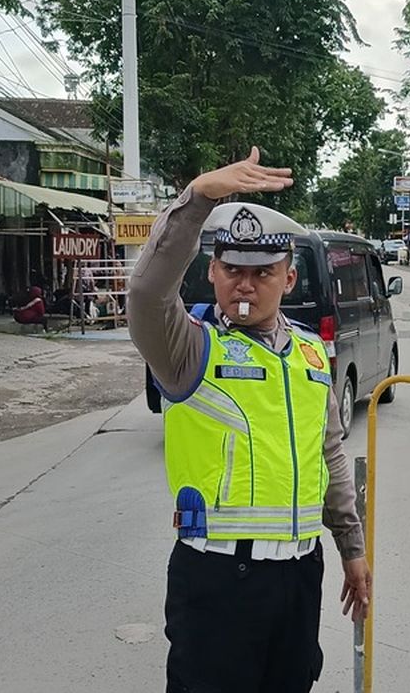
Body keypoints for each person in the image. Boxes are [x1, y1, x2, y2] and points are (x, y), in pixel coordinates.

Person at [127, 148, 371, 693]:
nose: (245, 284)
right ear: (212, 271)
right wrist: (198, 200)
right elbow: (145, 292)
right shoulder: (188, 347)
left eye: (262, 273)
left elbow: (328, 452)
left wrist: (351, 548)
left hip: (299, 576)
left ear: (287, 279)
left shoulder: (309, 355)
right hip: (217, 582)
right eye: (233, 269)